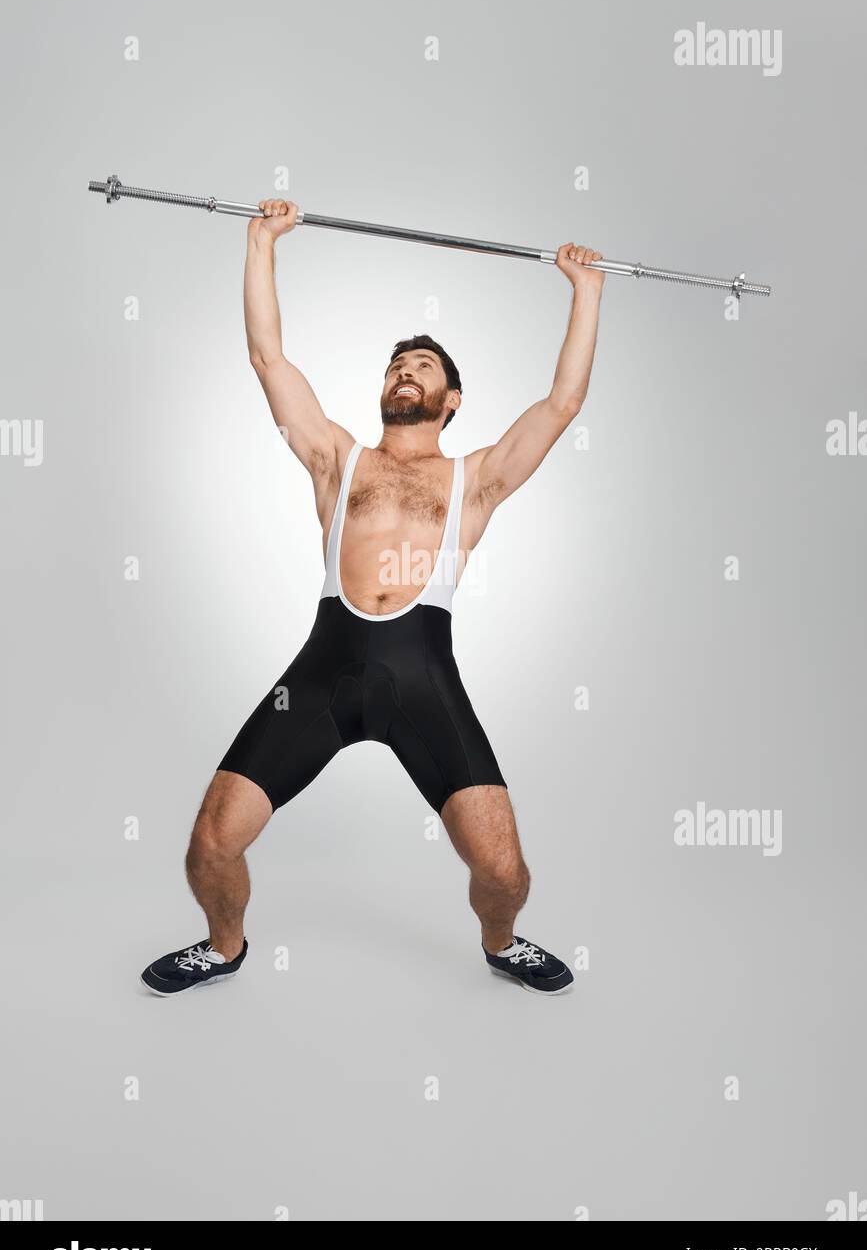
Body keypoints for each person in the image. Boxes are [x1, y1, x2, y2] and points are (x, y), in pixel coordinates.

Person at [141, 198, 605, 998]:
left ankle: (500, 943)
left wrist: (585, 288)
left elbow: (561, 404)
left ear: (451, 399)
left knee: (503, 869)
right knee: (209, 845)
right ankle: (223, 947)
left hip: (422, 680)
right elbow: (268, 361)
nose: (405, 371)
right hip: (324, 672)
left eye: (424, 365)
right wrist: (261, 244)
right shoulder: (337, 460)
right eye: (398, 363)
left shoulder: (475, 480)